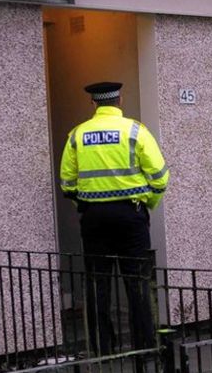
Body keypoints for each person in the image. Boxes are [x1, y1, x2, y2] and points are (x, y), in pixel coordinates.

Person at [59, 82, 169, 355]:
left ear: (93, 104)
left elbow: (67, 184)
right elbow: (160, 177)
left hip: (94, 218)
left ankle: (102, 348)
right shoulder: (135, 131)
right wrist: (147, 205)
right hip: (131, 215)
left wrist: (85, 205)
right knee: (138, 281)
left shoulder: (77, 134)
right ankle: (144, 347)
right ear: (119, 100)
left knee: (98, 282)